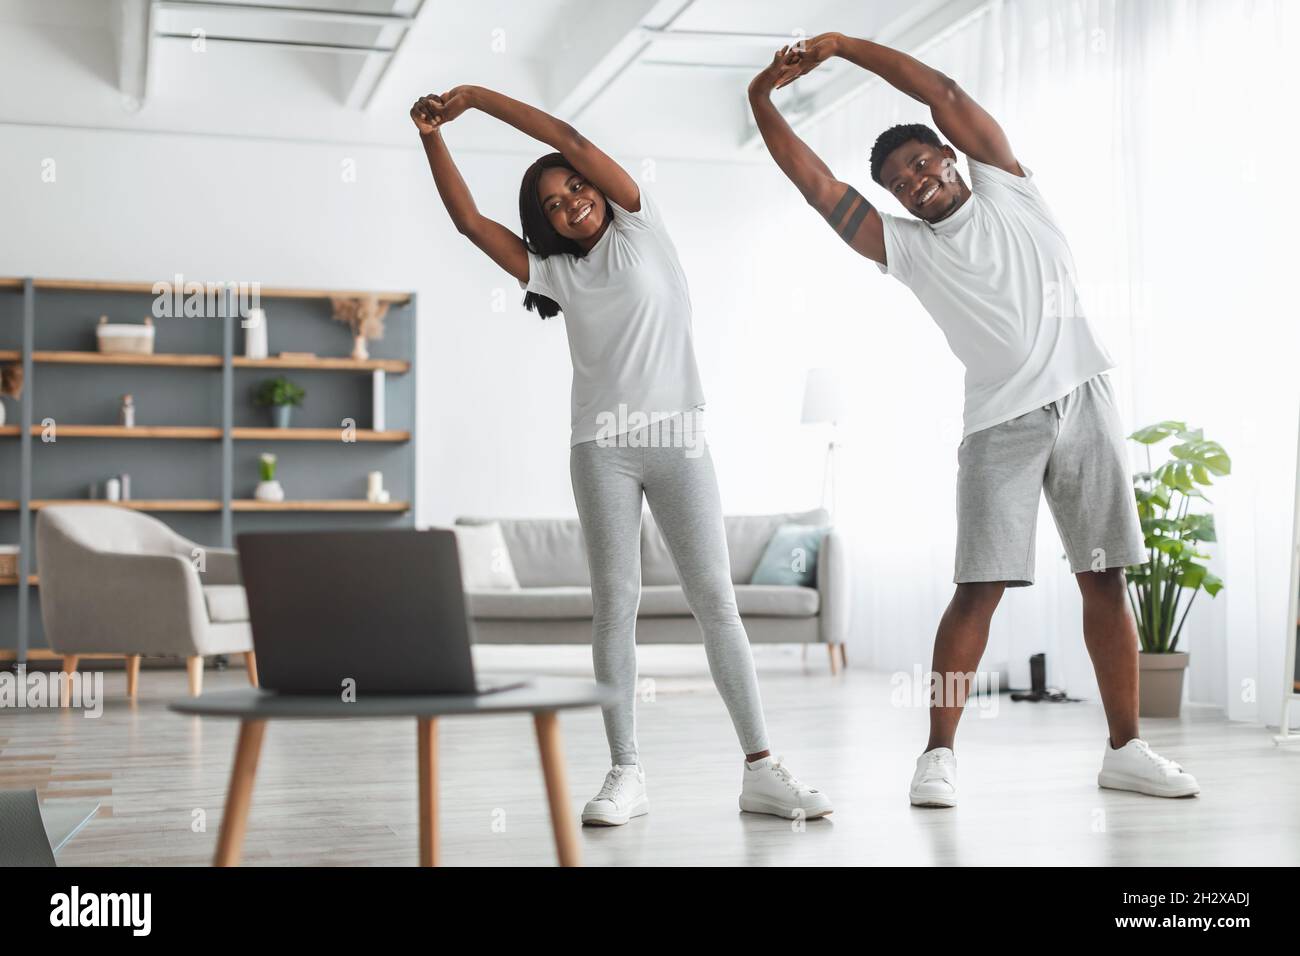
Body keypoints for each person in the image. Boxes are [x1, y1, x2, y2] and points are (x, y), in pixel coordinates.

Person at [747, 34, 1199, 806]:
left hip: (1085, 397)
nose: (915, 180)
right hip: (1000, 425)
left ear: (951, 158)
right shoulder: (907, 249)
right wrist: (761, 99)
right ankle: (938, 756)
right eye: (898, 181)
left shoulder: (1009, 187)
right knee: (976, 591)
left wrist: (842, 47)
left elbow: (945, 92)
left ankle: (1125, 749)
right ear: (895, 199)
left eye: (922, 162)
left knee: (1105, 580)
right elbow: (819, 187)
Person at [411, 85, 832, 825]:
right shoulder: (558, 274)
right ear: (544, 225)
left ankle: (762, 769)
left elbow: (568, 138)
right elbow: (470, 222)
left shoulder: (641, 228)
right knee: (616, 603)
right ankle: (626, 772)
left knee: (714, 600)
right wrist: (432, 137)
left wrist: (474, 98)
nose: (572, 199)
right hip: (600, 449)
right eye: (553, 203)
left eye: (576, 186)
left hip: (678, 439)